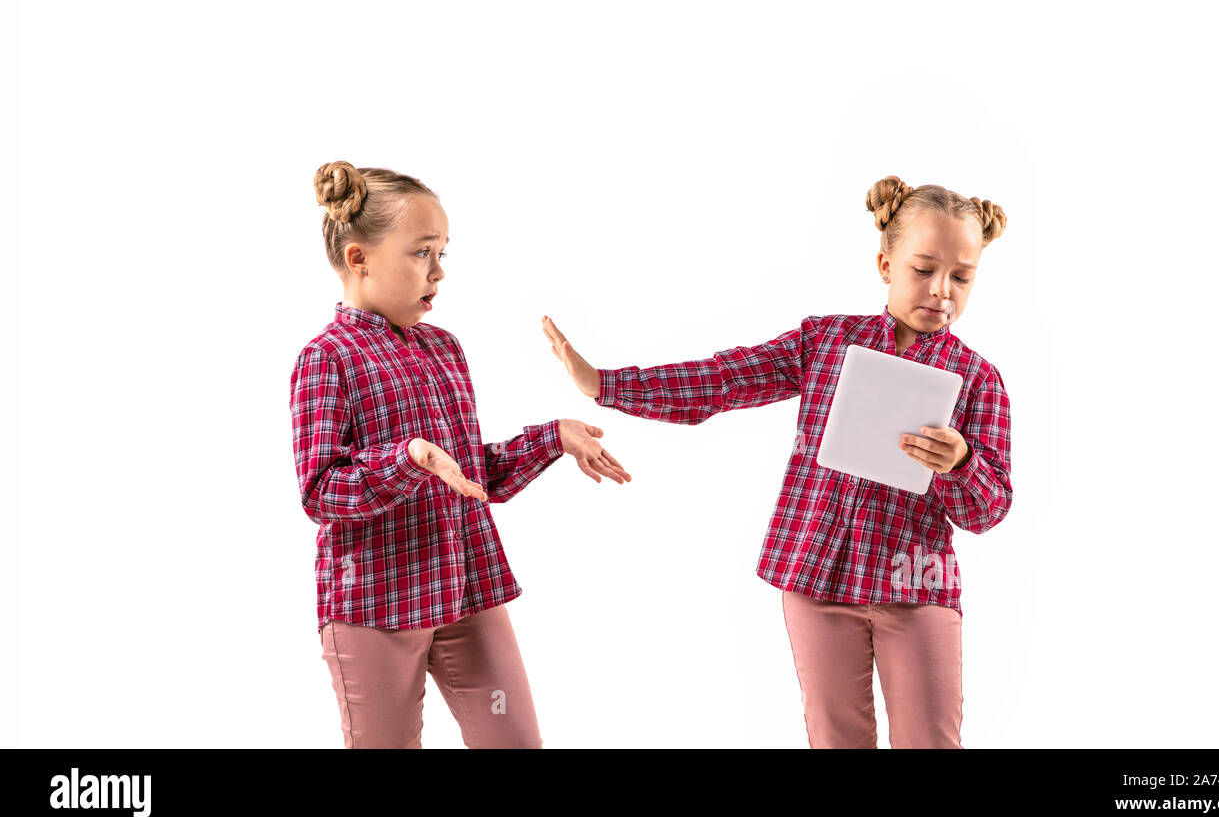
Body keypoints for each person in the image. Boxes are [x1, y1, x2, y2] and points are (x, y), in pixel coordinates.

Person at [541, 175, 1011, 748]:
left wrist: (960, 462)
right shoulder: (824, 343)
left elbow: (989, 509)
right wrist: (604, 385)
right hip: (816, 575)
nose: (941, 291)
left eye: (961, 278)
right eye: (923, 269)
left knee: (931, 741)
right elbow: (722, 381)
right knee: (836, 738)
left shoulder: (980, 381)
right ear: (885, 265)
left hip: (915, 585)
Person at [290, 160, 632, 748]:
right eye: (422, 252)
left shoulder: (445, 350)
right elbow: (321, 492)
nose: (439, 272)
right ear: (358, 259)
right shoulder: (327, 358)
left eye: (442, 253)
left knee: (516, 740)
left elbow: (474, 476)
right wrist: (407, 459)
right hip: (375, 605)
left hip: (465, 589)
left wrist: (553, 436)